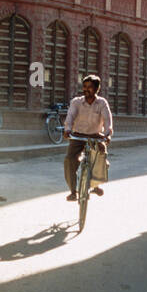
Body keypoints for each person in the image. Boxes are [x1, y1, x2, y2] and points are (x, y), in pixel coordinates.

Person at [64, 74, 113, 202]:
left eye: (90, 87)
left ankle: (95, 185)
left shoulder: (102, 103)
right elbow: (70, 116)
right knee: (70, 160)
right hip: (78, 136)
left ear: (97, 89)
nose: (86, 89)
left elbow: (108, 120)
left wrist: (108, 133)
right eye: (84, 87)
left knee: (102, 162)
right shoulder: (76, 102)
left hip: (96, 136)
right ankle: (73, 191)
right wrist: (67, 129)